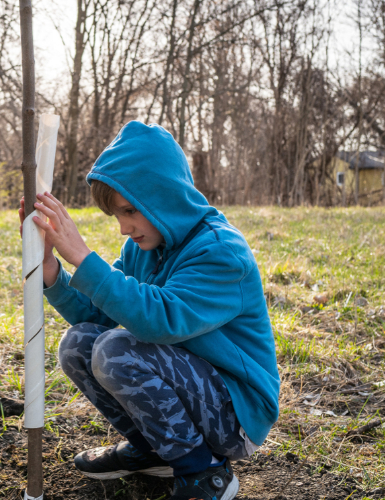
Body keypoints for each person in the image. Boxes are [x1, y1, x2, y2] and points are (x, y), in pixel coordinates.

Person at [18, 121, 279, 500]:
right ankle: (155, 452)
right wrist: (52, 271)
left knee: (116, 350)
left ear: (163, 196)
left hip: (235, 413)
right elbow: (101, 317)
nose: (124, 228)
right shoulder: (144, 249)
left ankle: (204, 473)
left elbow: (159, 321)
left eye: (129, 211)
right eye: (116, 216)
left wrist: (81, 255)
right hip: (193, 391)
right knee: (79, 343)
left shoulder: (221, 251)